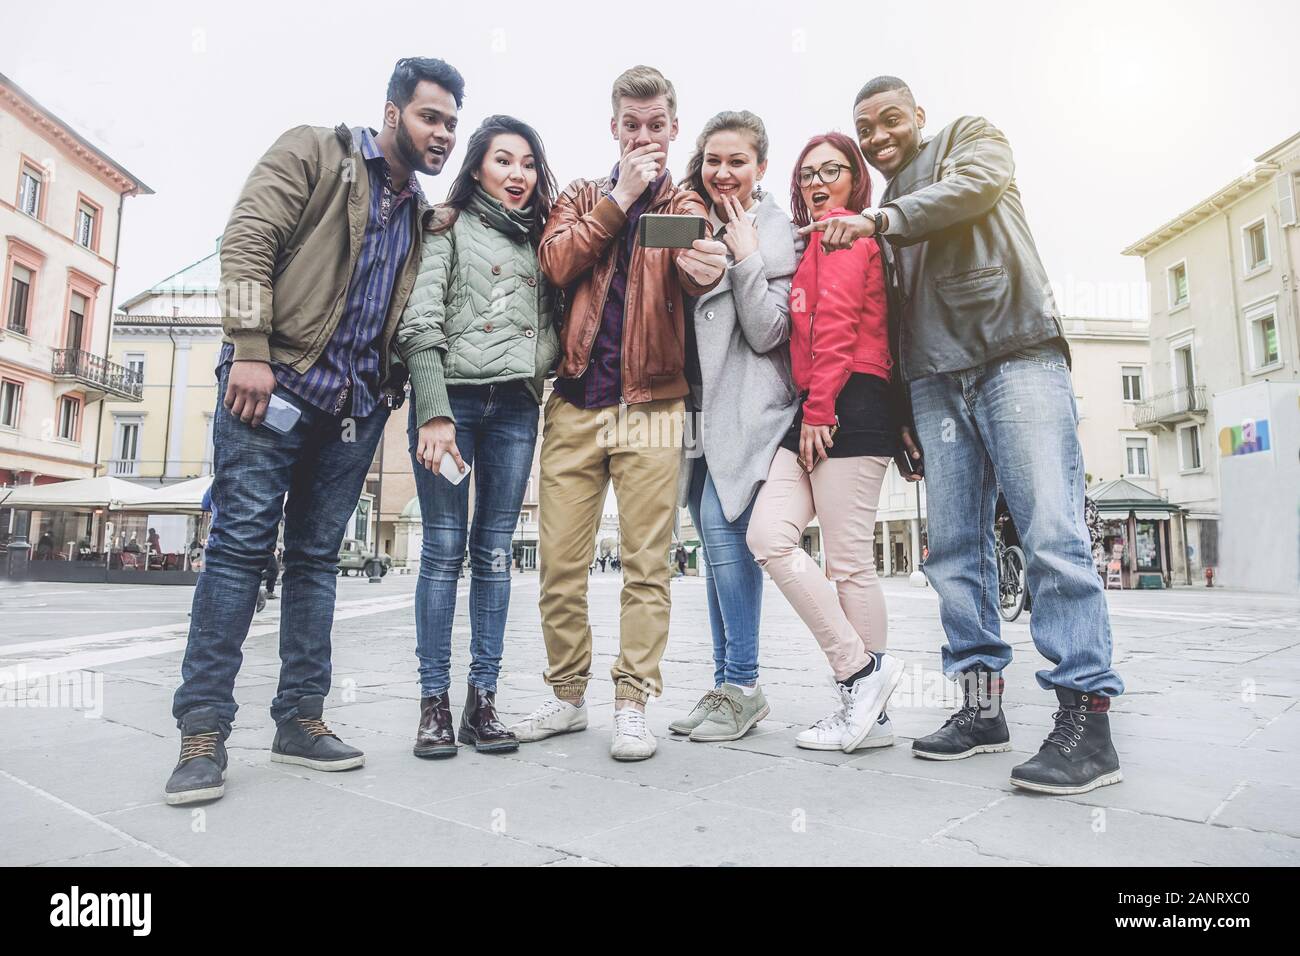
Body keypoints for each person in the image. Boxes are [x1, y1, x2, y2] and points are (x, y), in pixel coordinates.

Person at [805, 76, 1124, 794]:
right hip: (935, 382)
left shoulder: (968, 140)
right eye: (866, 128)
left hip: (1016, 352)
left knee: (1051, 536)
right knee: (952, 550)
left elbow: (973, 191)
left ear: (919, 115)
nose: (879, 135)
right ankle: (982, 710)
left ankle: (1088, 724)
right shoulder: (883, 212)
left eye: (892, 119)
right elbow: (896, 312)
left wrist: (880, 223)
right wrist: (907, 411)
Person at [164, 57, 465, 806]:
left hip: (353, 415)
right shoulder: (315, 152)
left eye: (452, 125)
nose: (443, 135)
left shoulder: (424, 217)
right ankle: (202, 733)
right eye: (431, 118)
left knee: (314, 563)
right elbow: (246, 239)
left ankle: (300, 718)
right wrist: (252, 349)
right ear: (393, 114)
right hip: (271, 394)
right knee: (237, 553)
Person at [510, 65, 726, 761]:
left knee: (646, 565)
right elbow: (555, 263)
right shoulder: (581, 193)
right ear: (614, 127)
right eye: (630, 124)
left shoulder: (686, 199)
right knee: (560, 565)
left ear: (672, 126)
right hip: (574, 400)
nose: (643, 136)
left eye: (655, 124)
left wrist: (708, 267)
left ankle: (632, 702)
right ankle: (569, 696)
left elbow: (704, 271)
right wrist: (620, 197)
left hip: (656, 406)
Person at [395, 114, 560, 759]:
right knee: (441, 549)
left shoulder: (543, 239)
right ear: (477, 168)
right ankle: (433, 703)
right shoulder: (448, 226)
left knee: (494, 553)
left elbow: (554, 321)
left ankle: (481, 701)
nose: (517, 175)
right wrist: (433, 412)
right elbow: (420, 322)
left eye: (526, 163)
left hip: (516, 407)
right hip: (451, 403)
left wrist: (538, 363)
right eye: (503, 161)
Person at [746, 132, 904, 754]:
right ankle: (863, 674)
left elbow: (837, 326)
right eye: (807, 173)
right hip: (813, 405)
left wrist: (819, 410)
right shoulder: (813, 238)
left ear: (854, 180)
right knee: (768, 536)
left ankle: (868, 712)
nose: (816, 183)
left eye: (831, 171)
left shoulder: (845, 233)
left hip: (852, 403)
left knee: (847, 562)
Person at [666, 110, 800, 744]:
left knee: (729, 544)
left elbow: (771, 330)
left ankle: (744, 685)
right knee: (712, 554)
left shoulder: (778, 232)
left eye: (737, 161)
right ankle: (724, 682)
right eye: (713, 159)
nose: (724, 172)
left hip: (745, 411)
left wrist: (744, 261)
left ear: (761, 167)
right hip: (692, 409)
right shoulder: (692, 217)